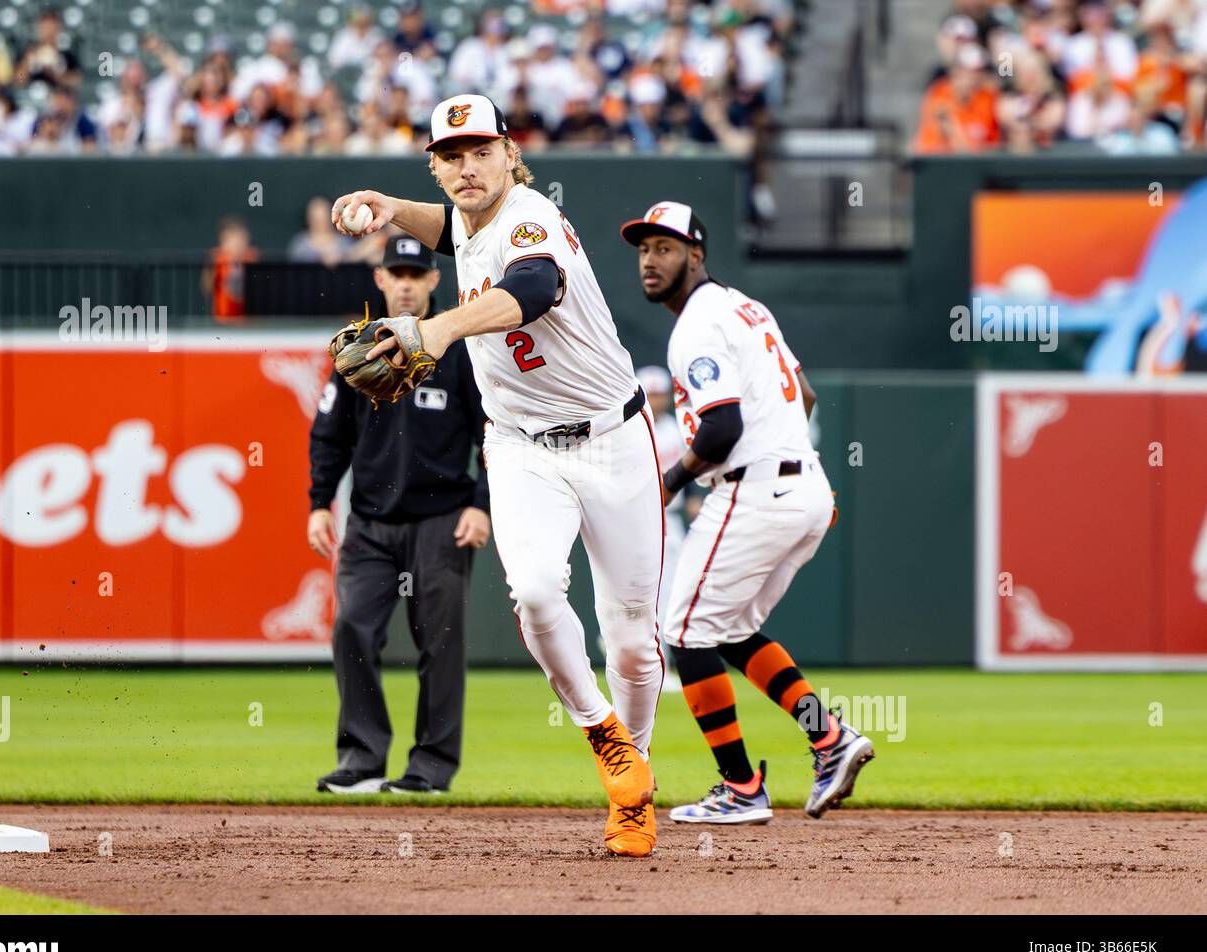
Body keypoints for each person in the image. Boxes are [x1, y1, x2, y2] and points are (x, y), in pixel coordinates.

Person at [331, 93, 665, 857]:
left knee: (634, 644)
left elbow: (536, 287)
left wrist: (438, 326)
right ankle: (604, 738)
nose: (466, 166)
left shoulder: (530, 217)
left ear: (511, 155)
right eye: (450, 156)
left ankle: (636, 774)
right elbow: (451, 228)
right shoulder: (469, 220)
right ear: (436, 167)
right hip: (520, 447)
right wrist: (388, 208)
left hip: (614, 439)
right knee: (539, 592)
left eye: (481, 150)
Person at [621, 199, 874, 825]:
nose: (651, 261)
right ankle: (830, 739)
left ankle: (739, 788)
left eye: (666, 248)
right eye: (645, 250)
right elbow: (806, 395)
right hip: (802, 488)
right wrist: (790, 464)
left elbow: (722, 428)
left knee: (682, 631)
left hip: (759, 489)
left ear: (696, 254)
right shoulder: (746, 307)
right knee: (727, 632)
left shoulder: (697, 326)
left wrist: (671, 482)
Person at [310, 236, 491, 795]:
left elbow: (496, 433)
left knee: (440, 642)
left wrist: (482, 505)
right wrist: (319, 502)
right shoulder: (357, 348)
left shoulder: (458, 349)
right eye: (397, 272)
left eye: (418, 273)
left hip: (441, 521)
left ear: (436, 282)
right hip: (369, 523)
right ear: (381, 279)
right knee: (351, 628)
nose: (407, 282)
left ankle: (431, 767)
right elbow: (328, 435)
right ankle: (362, 759)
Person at [636, 365, 686, 693]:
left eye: (660, 393)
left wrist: (693, 496)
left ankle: (660, 664)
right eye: (650, 393)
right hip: (640, 516)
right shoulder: (634, 426)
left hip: (674, 518)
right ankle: (647, 659)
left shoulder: (676, 428)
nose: (656, 399)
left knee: (672, 592)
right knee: (646, 590)